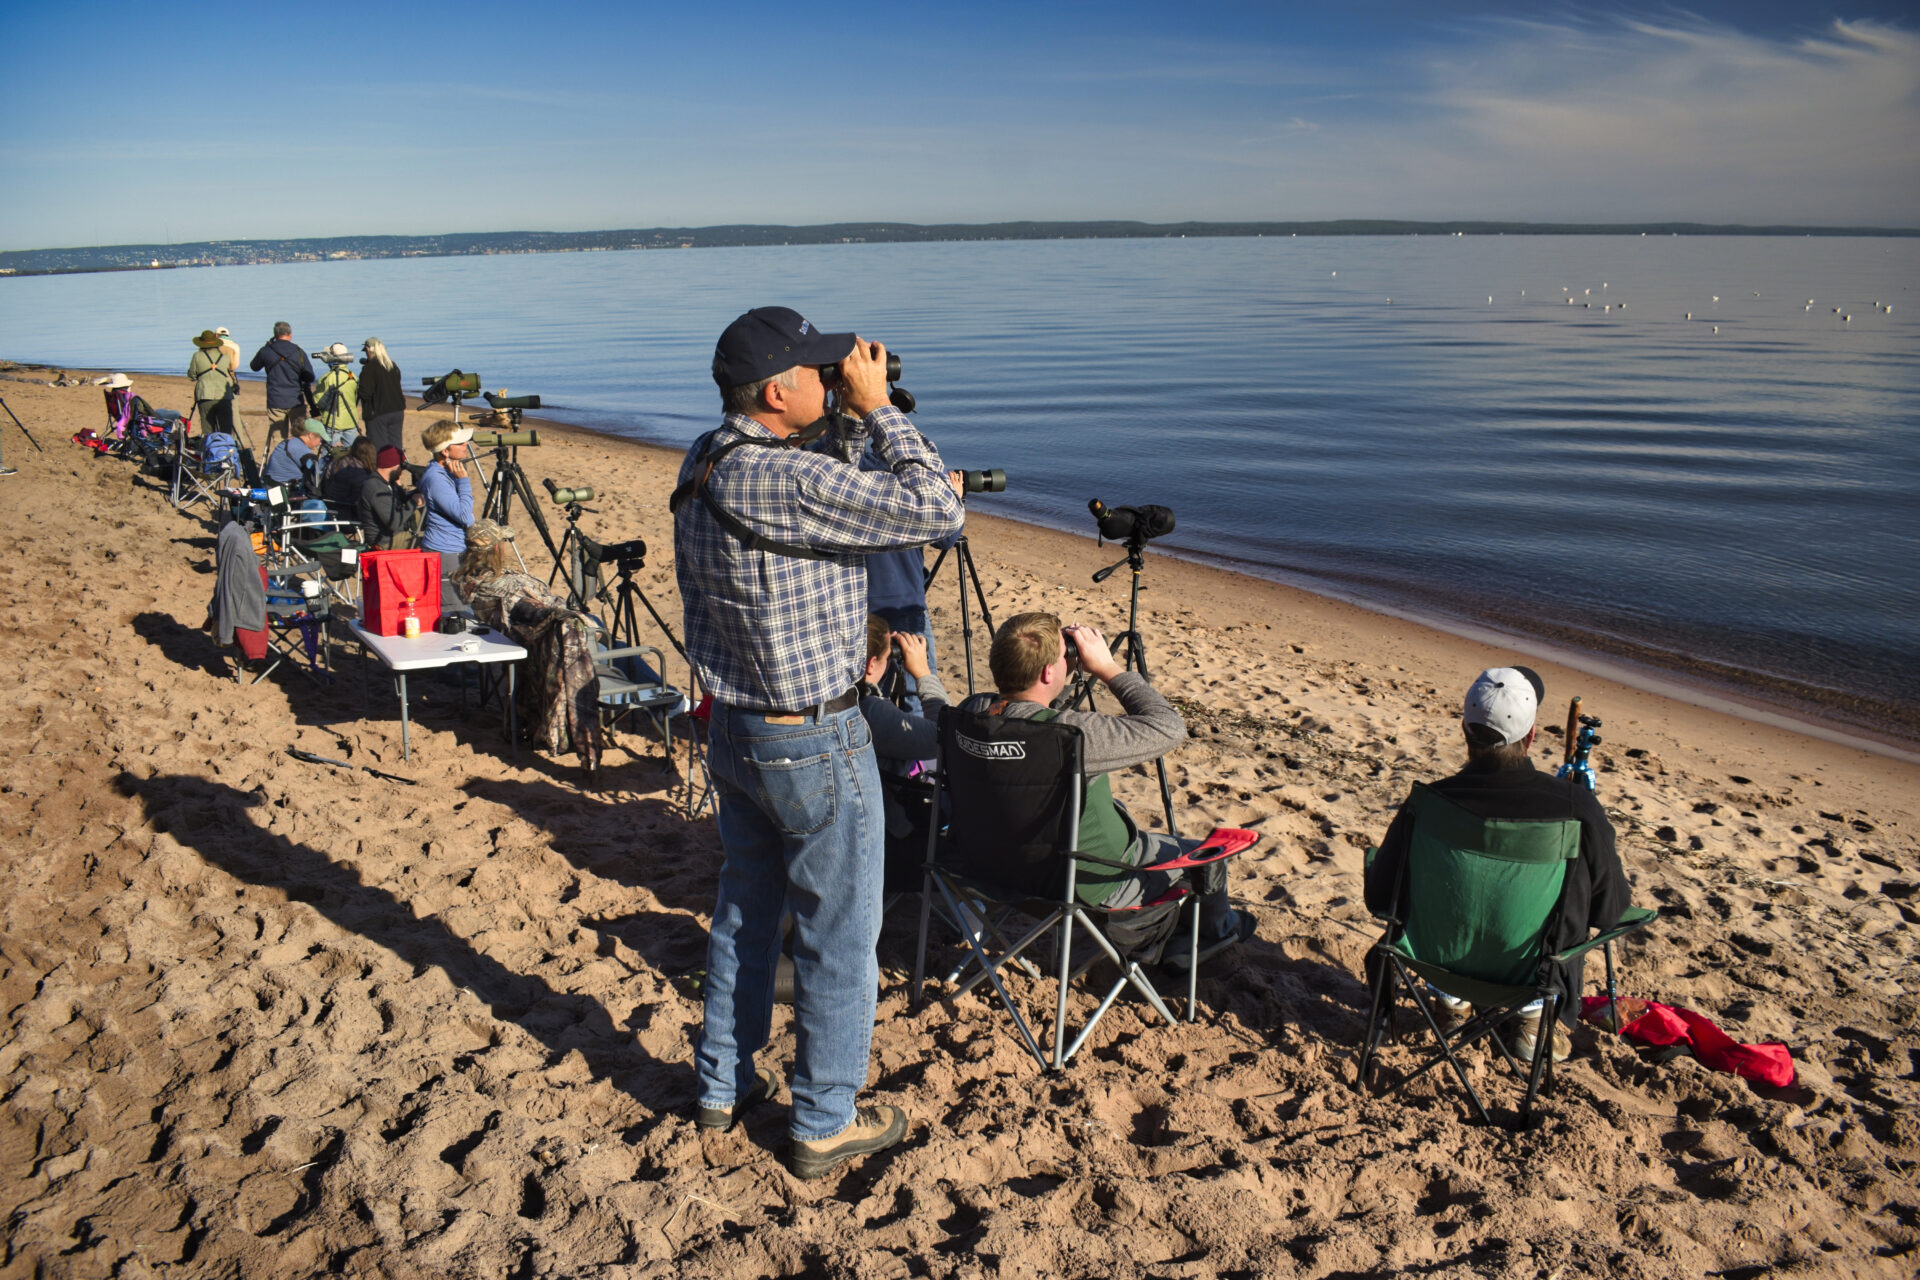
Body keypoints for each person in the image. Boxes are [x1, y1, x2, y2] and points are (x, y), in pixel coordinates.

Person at [675, 305, 964, 1179]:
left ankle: (723, 1088)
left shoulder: (709, 454)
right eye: (817, 371)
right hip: (814, 736)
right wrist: (880, 411)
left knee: (745, 913)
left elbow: (818, 498)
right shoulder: (781, 482)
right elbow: (936, 511)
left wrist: (840, 417)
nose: (833, 377)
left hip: (737, 728)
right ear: (776, 392)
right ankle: (825, 1121)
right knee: (840, 935)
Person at [1363, 666, 1631, 1064]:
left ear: (1465, 730)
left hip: (1437, 966)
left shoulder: (1428, 803)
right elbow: (1611, 910)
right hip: (1530, 979)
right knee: (1568, 896)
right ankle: (1531, 1020)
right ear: (1532, 736)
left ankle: (1451, 1004)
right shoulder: (1575, 808)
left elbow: (1381, 897)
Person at [972, 611, 1250, 961]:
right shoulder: (1071, 736)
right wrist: (1107, 668)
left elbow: (1032, 710)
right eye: (1064, 657)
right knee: (1206, 856)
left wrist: (1063, 673)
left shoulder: (970, 715)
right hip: (1089, 885)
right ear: (1047, 672)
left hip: (996, 872)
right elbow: (1168, 727)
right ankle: (1215, 936)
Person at [454, 519, 604, 769]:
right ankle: (674, 702)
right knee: (620, 649)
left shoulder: (470, 582)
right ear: (497, 549)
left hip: (524, 644)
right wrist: (578, 618)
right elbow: (543, 612)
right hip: (564, 646)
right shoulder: (509, 586)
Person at [419, 419, 475, 603]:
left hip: (452, 548)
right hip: (444, 551)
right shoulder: (436, 479)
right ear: (445, 451)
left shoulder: (445, 471)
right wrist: (463, 481)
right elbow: (465, 517)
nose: (466, 444)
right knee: (453, 609)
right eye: (460, 443)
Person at [249, 322, 314, 448]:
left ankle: (281, 463)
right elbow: (310, 376)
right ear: (290, 335)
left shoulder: (267, 350)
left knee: (278, 439)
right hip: (295, 399)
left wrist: (267, 346)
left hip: (276, 400)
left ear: (275, 335)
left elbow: (254, 366)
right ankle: (299, 463)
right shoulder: (298, 352)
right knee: (301, 436)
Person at [356, 445, 413, 550]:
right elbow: (394, 523)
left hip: (390, 536)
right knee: (429, 540)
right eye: (401, 466)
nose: (402, 471)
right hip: (384, 542)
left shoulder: (385, 482)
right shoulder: (376, 488)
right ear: (394, 466)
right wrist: (413, 503)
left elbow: (403, 499)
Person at [358, 338, 406, 457]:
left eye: (366, 351)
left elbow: (365, 393)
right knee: (396, 446)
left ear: (368, 349)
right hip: (397, 410)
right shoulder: (391, 365)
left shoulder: (369, 368)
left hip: (378, 413)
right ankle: (397, 470)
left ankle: (384, 472)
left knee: (380, 449)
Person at [188, 330, 237, 439]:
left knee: (208, 430)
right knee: (226, 428)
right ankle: (226, 449)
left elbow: (191, 375)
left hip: (205, 395)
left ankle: (210, 451)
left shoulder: (197, 356)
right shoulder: (225, 358)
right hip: (224, 396)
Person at [311, 343, 363, 442]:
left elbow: (317, 400)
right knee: (351, 453)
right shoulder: (352, 376)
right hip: (350, 421)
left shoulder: (327, 378)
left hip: (332, 422)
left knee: (328, 453)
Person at [263, 423, 324, 489]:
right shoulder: (301, 450)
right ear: (311, 435)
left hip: (271, 485)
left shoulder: (289, 441)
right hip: (282, 491)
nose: (320, 443)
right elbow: (315, 475)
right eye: (320, 439)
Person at [324, 437, 379, 510]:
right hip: (347, 510)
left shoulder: (337, 461)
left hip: (330, 505)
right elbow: (361, 497)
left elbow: (326, 481)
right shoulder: (358, 470)